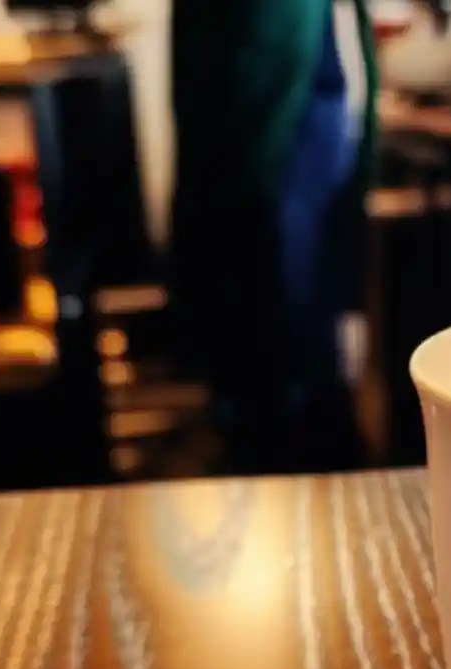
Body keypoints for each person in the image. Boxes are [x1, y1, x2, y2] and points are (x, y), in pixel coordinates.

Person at [169, 0, 377, 472]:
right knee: (280, 327)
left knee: (318, 311)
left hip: (321, 129)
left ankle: (314, 441)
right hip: (271, 151)